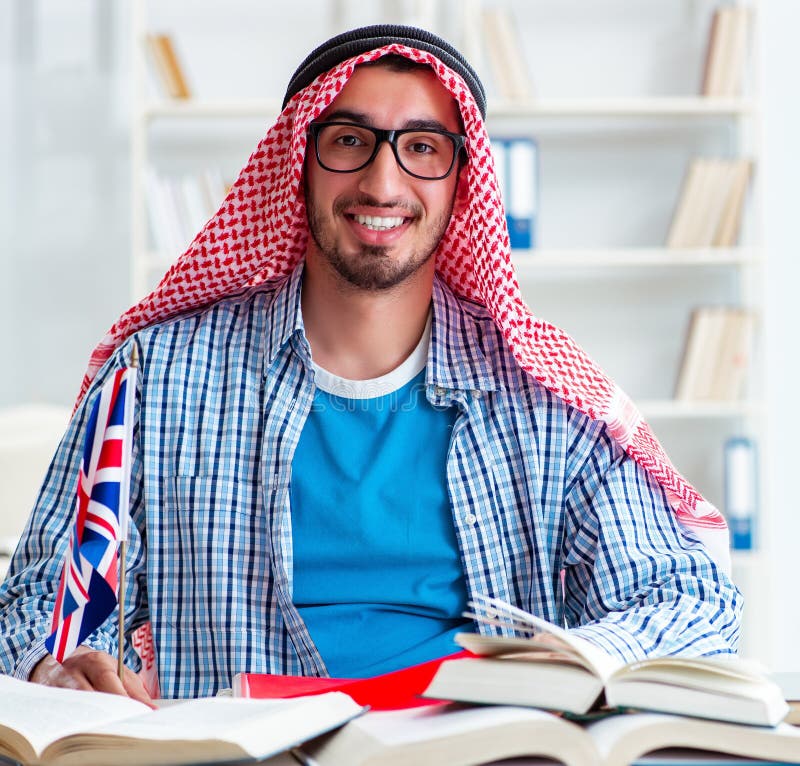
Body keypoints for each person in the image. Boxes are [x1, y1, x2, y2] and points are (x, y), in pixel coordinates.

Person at [0, 25, 740, 702]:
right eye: (350, 141)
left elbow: (690, 600)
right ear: (300, 164)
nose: (384, 185)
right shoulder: (156, 376)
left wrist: (569, 663)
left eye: (422, 148)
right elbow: (39, 601)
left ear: (462, 182)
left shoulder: (545, 397)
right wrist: (53, 666)